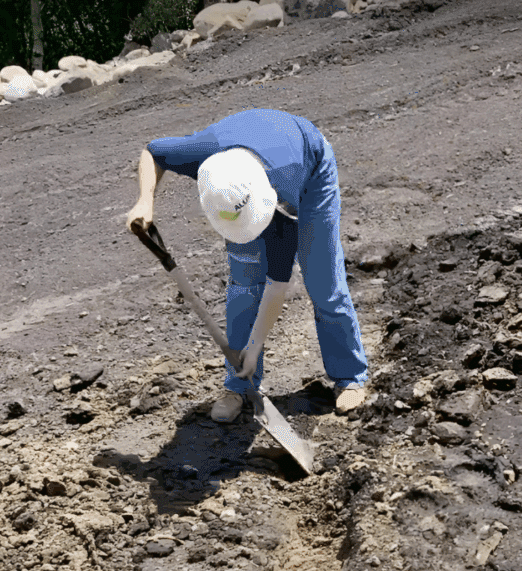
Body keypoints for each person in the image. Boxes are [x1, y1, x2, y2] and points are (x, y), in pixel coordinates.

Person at [125, 108, 369, 423]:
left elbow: (277, 284)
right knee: (244, 284)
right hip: (245, 178)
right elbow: (153, 152)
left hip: (309, 172)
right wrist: (145, 200)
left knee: (322, 280)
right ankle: (239, 384)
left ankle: (349, 377)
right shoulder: (205, 156)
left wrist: (254, 347)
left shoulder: (285, 188)